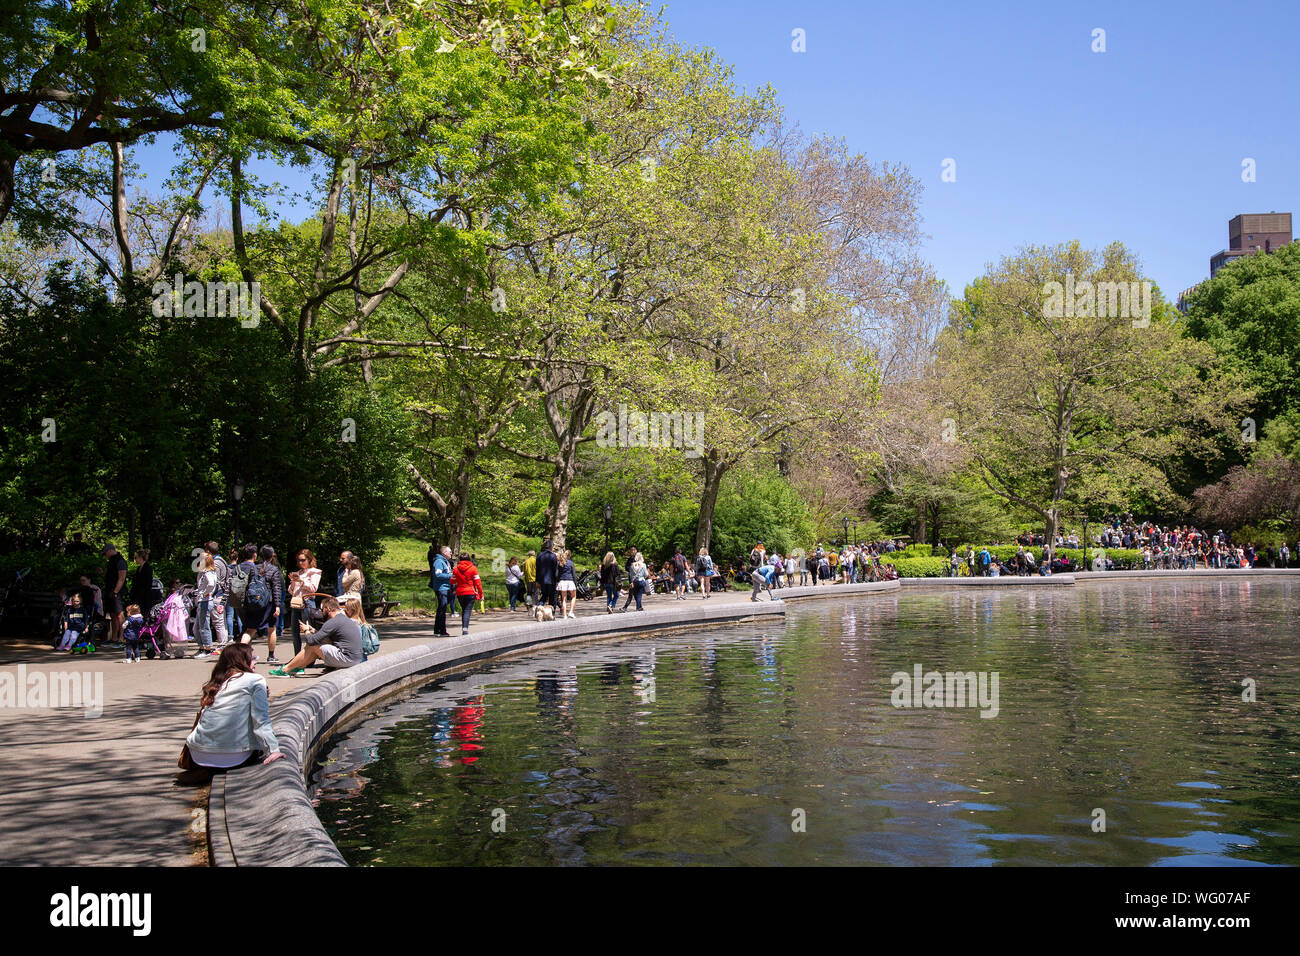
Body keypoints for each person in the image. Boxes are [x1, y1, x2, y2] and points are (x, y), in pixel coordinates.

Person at [181, 643, 283, 785]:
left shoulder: (219, 681)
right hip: (234, 756)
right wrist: (273, 750)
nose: (256, 661)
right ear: (242, 661)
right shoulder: (255, 679)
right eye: (253, 657)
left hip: (198, 754)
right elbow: (260, 719)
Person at [271, 597, 362, 676]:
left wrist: (306, 630)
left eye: (323, 610)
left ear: (328, 609)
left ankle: (286, 669)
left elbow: (311, 641)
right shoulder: (341, 618)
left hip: (347, 659)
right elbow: (326, 638)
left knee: (313, 646)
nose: (322, 613)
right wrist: (313, 631)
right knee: (317, 647)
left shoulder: (332, 622)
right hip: (355, 658)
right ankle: (297, 667)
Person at [286, 549, 322, 655]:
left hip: (307, 604)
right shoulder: (298, 573)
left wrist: (302, 581)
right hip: (296, 603)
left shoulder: (315, 572)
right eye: (299, 560)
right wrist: (293, 582)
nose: (300, 563)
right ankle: (297, 656)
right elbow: (291, 591)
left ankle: (310, 656)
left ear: (309, 559)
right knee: (295, 632)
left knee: (308, 631)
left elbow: (313, 588)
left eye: (303, 560)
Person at [451, 554, 484, 636]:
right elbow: (478, 583)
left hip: (460, 592)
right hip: (470, 592)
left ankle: (464, 628)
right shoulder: (473, 569)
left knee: (464, 610)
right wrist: (481, 594)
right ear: (469, 559)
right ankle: (465, 629)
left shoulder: (456, 569)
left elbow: (452, 581)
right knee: (467, 611)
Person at [194, 553, 219, 659]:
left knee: (203, 626)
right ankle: (202, 647)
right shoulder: (208, 572)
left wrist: (206, 593)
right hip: (203, 601)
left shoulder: (208, 572)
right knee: (197, 628)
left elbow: (211, 584)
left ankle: (207, 649)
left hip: (205, 601)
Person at [102, 544, 128, 644]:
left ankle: (121, 637)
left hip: (117, 592)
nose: (105, 556)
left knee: (119, 614)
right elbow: (110, 576)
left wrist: (116, 591)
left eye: (105, 553)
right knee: (112, 614)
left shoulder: (120, 561)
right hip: (110, 590)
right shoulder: (111, 562)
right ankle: (114, 638)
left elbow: (122, 578)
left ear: (109, 551)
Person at [130, 549, 159, 621]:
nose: (135, 559)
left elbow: (147, 584)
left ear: (140, 558)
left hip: (144, 597)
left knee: (143, 614)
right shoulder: (138, 568)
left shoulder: (148, 568)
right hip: (137, 595)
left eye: (136, 557)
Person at [431, 545, 453, 636]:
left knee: (442, 609)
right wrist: (451, 576)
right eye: (450, 552)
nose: (451, 554)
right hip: (441, 588)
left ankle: (438, 630)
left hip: (446, 587)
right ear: (444, 553)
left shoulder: (445, 562)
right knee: (442, 609)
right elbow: (438, 575)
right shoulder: (439, 561)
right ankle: (441, 630)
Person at [536, 541, 558, 610]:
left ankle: (540, 607)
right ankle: (550, 611)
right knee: (551, 596)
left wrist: (537, 580)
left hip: (542, 579)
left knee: (544, 594)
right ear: (551, 547)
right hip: (551, 580)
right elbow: (555, 569)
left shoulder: (539, 555)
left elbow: (537, 569)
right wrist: (557, 580)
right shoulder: (553, 556)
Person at [556, 549, 577, 619]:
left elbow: (557, 574)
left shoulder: (559, 563)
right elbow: (573, 574)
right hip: (570, 581)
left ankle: (564, 615)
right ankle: (571, 612)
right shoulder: (570, 563)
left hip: (562, 581)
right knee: (573, 596)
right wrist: (575, 583)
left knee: (563, 599)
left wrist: (557, 581)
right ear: (569, 555)